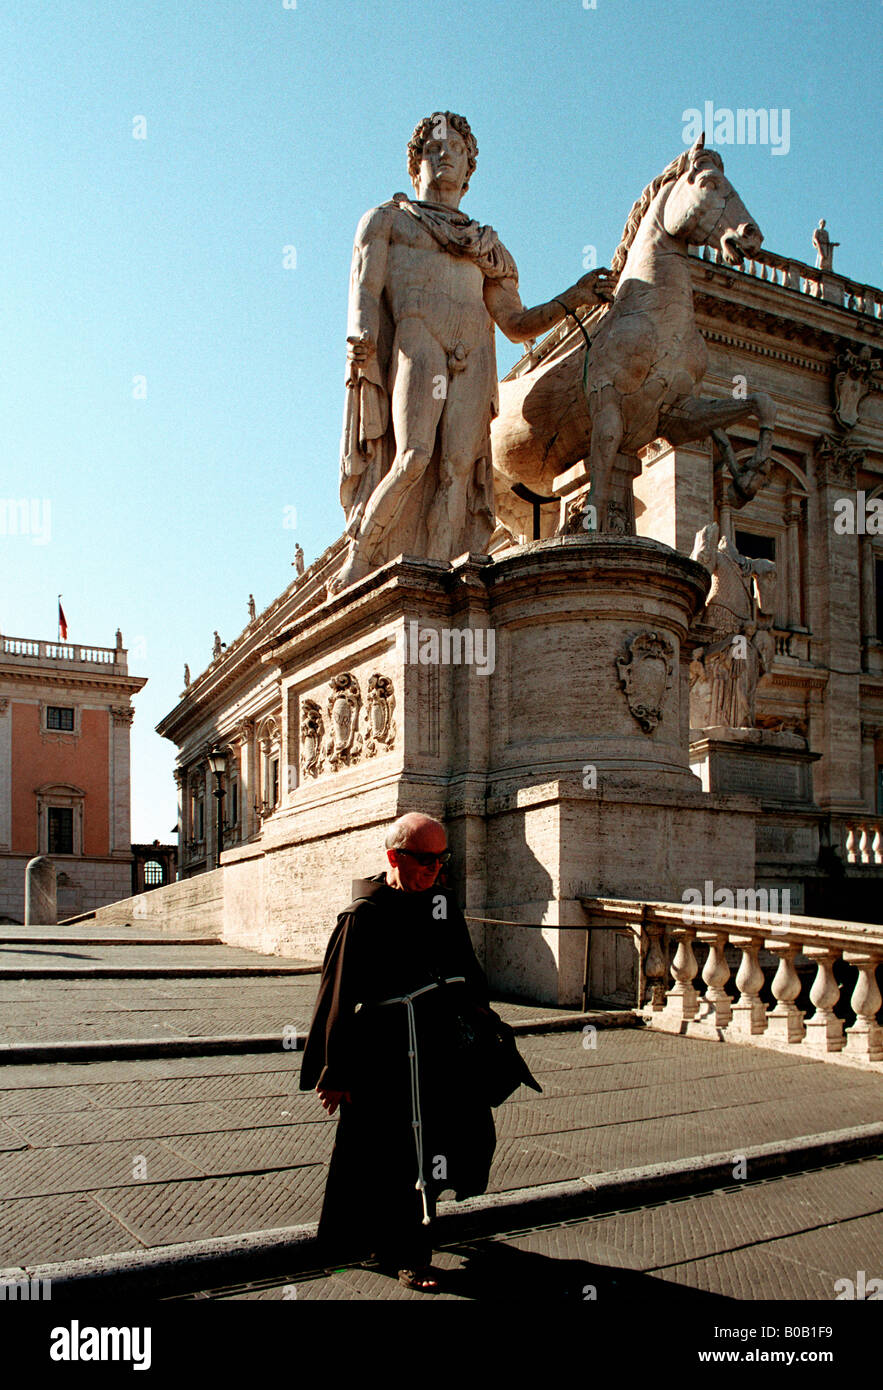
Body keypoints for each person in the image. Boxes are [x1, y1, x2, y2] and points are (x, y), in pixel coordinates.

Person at [331, 111, 613, 592]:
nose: (444, 157)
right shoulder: (387, 222)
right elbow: (364, 288)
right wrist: (360, 336)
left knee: (456, 472)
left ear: (469, 169)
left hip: (474, 353)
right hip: (418, 337)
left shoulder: (486, 245)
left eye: (456, 151)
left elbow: (517, 325)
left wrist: (574, 297)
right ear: (415, 163)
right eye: (434, 149)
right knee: (414, 455)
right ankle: (361, 556)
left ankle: (440, 586)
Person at [300, 811, 496, 1291]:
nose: (434, 868)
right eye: (423, 859)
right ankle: (407, 1254)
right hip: (384, 1054)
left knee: (446, 1141)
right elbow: (338, 994)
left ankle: (419, 1227)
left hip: (438, 1048)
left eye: (440, 858)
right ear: (394, 857)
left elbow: (468, 971)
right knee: (390, 1153)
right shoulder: (363, 916)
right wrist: (335, 1070)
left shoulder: (442, 905)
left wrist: (481, 1020)